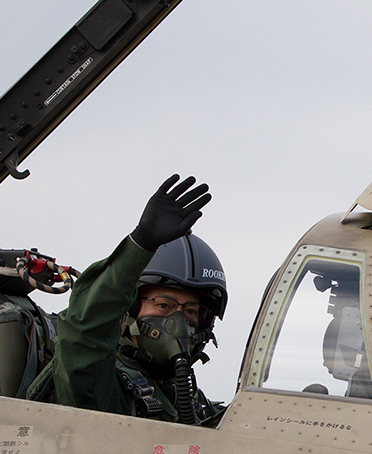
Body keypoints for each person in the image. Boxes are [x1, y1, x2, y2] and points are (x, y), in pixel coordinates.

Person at [28, 174, 227, 425]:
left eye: (190, 311)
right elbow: (85, 334)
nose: (177, 321)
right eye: (163, 305)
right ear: (128, 310)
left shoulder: (189, 401)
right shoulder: (99, 382)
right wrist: (141, 244)